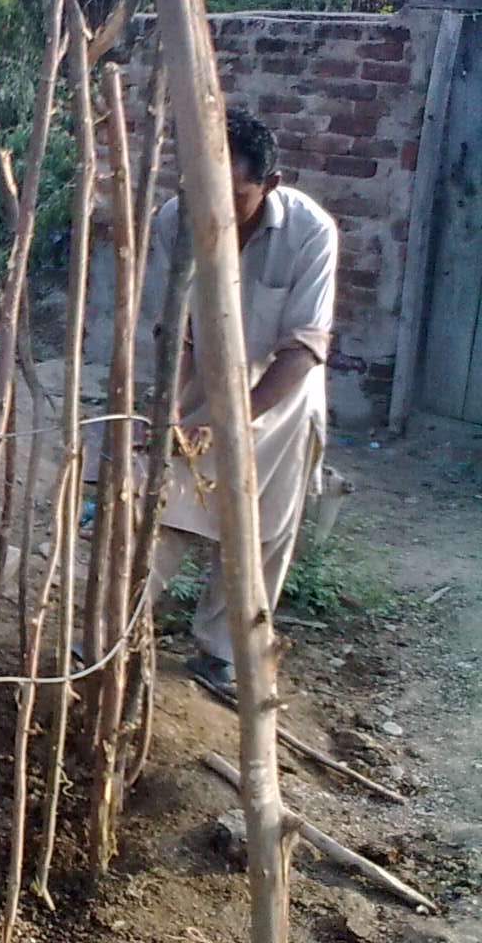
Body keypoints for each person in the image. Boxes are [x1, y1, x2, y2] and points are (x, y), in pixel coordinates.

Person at [147, 107, 337, 693]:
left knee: (258, 531)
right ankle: (116, 630)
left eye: (236, 194)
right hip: (201, 384)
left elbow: (304, 348)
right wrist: (172, 408)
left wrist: (232, 418)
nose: (218, 207)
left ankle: (222, 652)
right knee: (157, 506)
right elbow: (170, 328)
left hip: (278, 403)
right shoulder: (175, 221)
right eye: (206, 189)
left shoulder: (312, 233)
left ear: (270, 185)